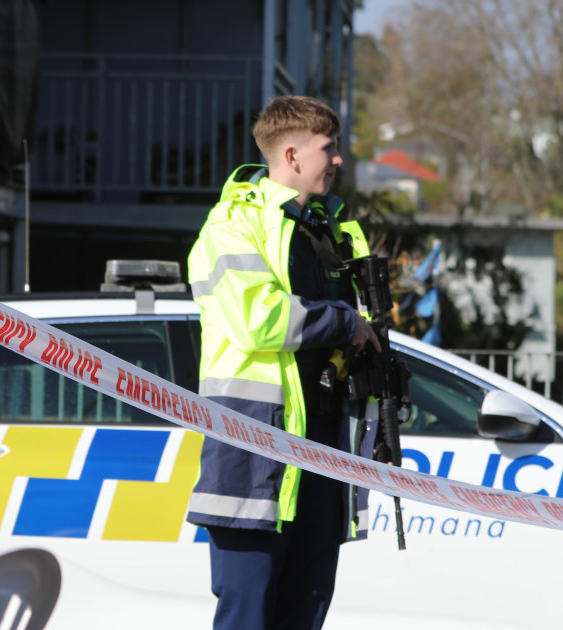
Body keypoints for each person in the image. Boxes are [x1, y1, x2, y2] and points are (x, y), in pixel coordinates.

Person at [185, 95, 380, 630]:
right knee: (248, 618)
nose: (339, 159)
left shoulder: (333, 233)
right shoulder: (230, 227)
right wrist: (346, 323)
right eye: (329, 148)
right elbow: (258, 321)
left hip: (323, 456)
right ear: (292, 155)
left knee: (305, 616)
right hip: (255, 458)